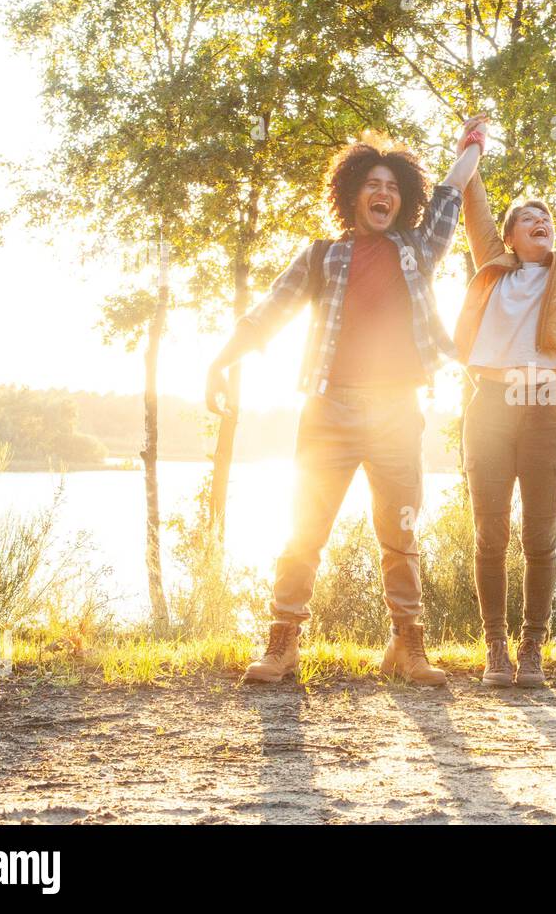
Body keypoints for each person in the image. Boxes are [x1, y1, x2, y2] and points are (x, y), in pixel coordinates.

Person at [206, 118, 489, 685]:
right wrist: (222, 360)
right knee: (303, 530)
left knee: (401, 532)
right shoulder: (322, 257)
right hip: (328, 412)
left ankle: (409, 647)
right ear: (352, 194)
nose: (382, 194)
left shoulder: (417, 249)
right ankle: (282, 645)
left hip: (395, 413)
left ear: (401, 198)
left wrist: (471, 148)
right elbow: (270, 310)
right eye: (372, 185)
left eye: (392, 187)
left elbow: (450, 196)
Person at [454, 120, 556, 688]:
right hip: (490, 407)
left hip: (548, 407)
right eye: (526, 219)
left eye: (546, 218)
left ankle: (532, 646)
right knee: (491, 534)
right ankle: (495, 646)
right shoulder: (493, 268)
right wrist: (471, 150)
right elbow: (474, 206)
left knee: (540, 535)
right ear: (509, 238)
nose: (541, 222)